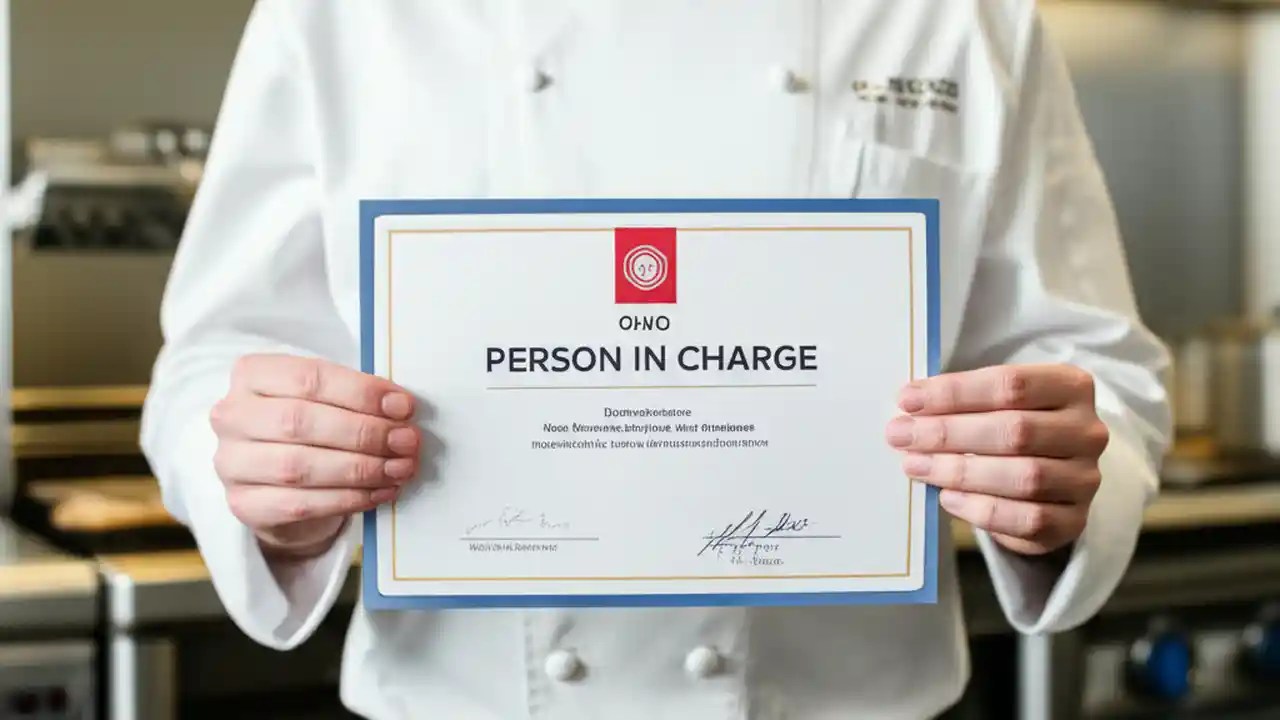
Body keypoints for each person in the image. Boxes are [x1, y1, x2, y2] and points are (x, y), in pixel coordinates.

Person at [140, 1, 1172, 718]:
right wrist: (266, 462)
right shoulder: (340, 15)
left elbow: (1095, 360)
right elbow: (214, 359)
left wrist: (1054, 465)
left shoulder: (964, 12)